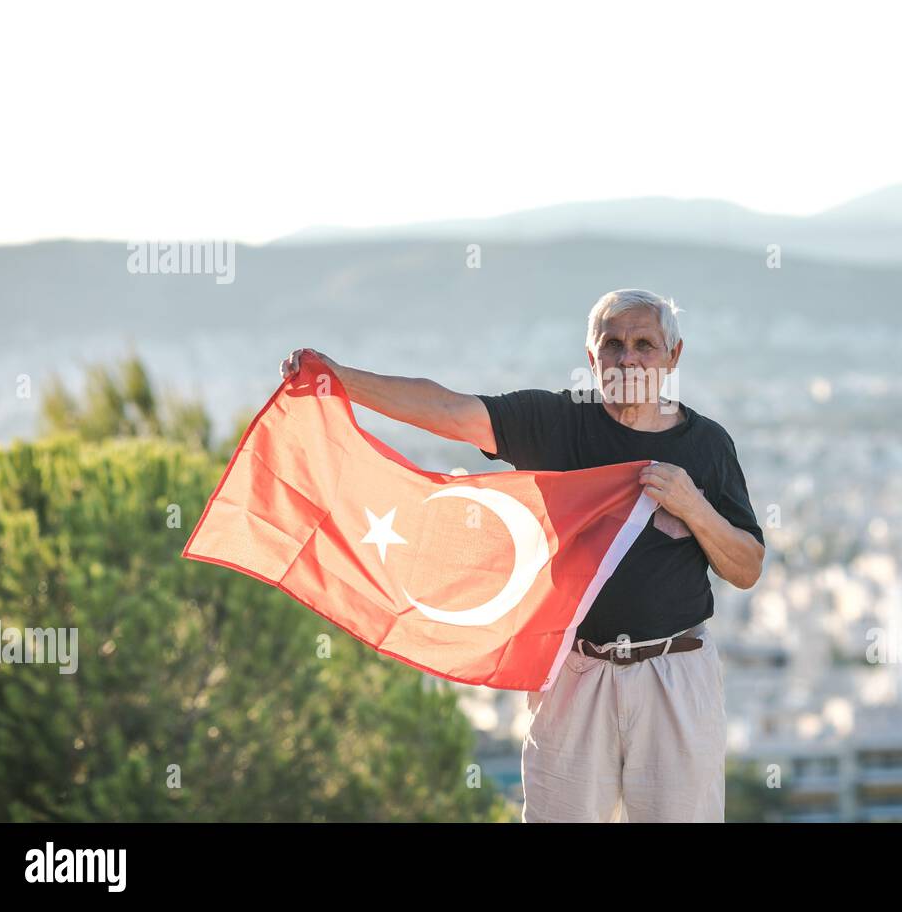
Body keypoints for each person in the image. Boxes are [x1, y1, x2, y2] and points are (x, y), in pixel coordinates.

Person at [279, 287, 765, 822]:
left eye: (646, 344)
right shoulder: (555, 421)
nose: (628, 357)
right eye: (613, 344)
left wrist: (694, 508)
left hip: (674, 672)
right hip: (575, 673)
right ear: (591, 357)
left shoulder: (707, 446)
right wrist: (339, 378)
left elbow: (746, 567)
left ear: (673, 356)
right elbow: (449, 409)